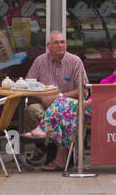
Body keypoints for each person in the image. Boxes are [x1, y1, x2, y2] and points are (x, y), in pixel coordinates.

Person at [26, 40, 116, 171]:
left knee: (62, 105)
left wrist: (86, 104)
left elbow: (109, 94)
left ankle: (50, 142)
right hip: (96, 107)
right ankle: (60, 155)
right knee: (62, 112)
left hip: (104, 112)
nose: (115, 52)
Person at [24, 31, 87, 161]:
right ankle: (42, 145)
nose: (60, 45)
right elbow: (28, 85)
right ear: (49, 46)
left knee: (60, 114)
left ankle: (54, 149)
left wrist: (59, 97)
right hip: (44, 104)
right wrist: (43, 98)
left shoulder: (75, 61)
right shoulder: (40, 61)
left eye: (62, 42)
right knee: (29, 111)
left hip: (69, 105)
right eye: (56, 43)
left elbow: (84, 91)